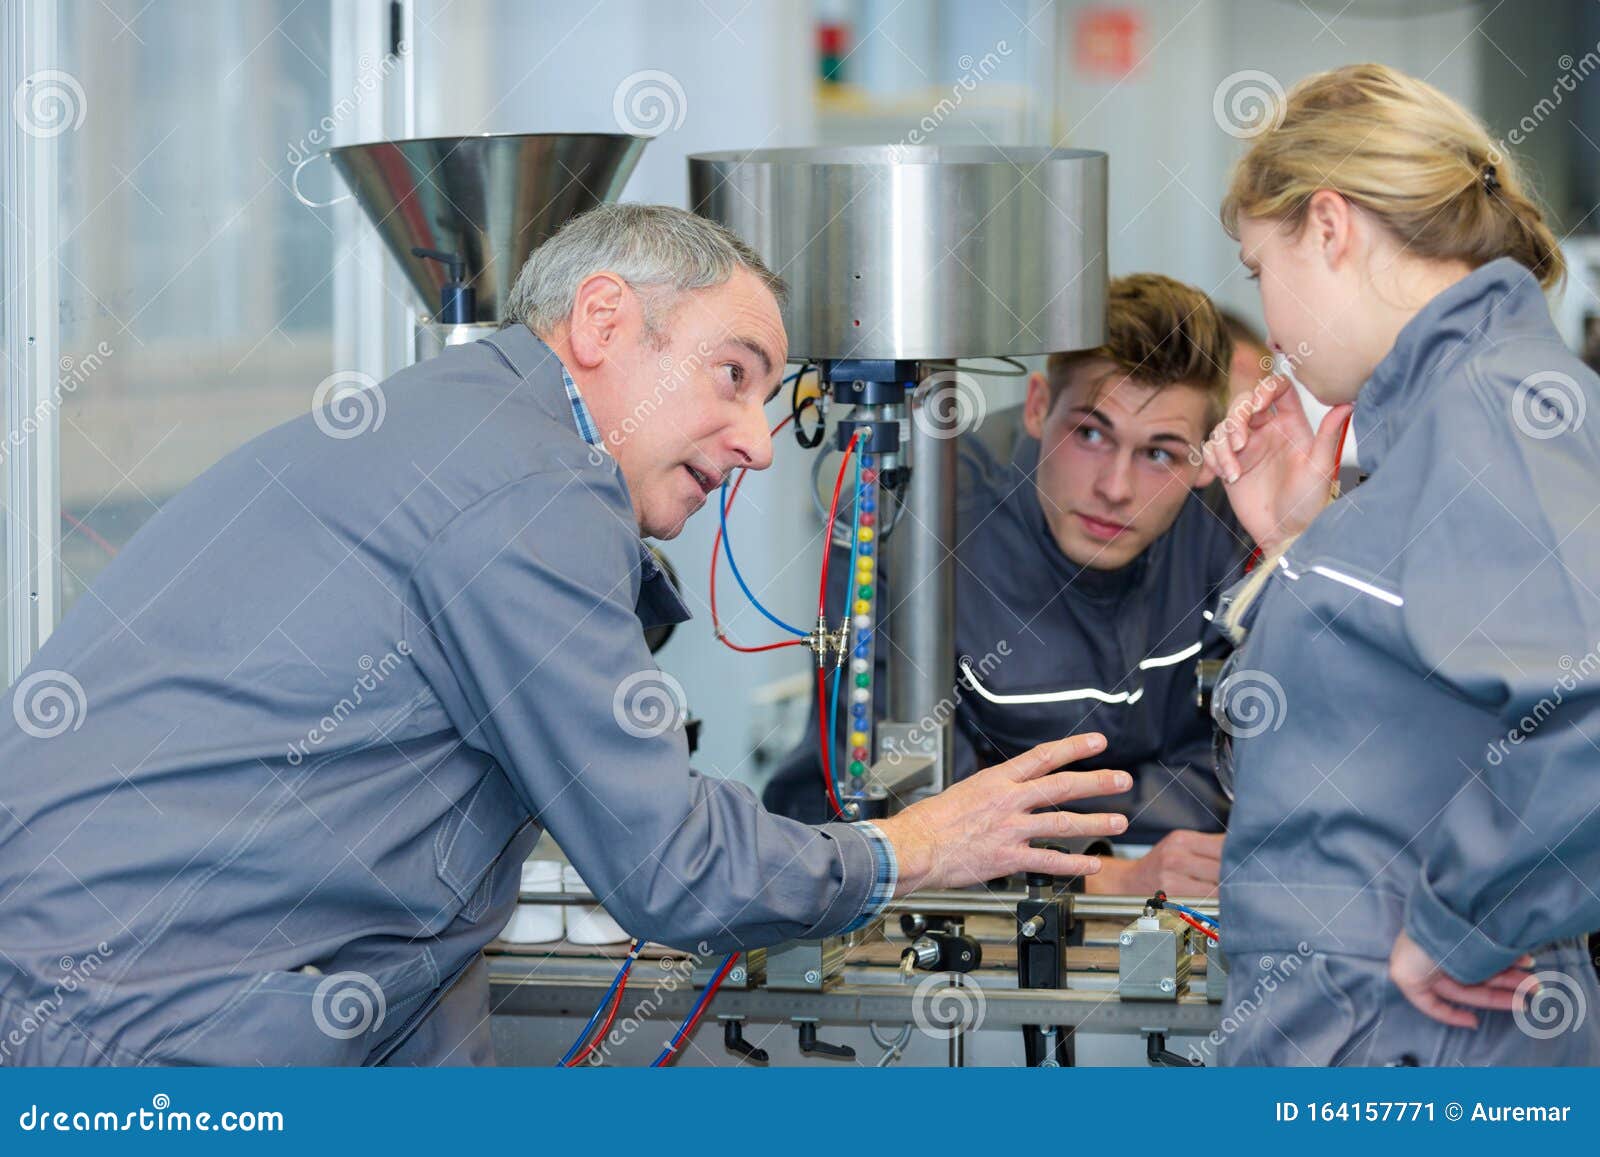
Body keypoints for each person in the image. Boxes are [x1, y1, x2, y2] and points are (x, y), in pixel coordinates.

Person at [0, 204, 1132, 1066]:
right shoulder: (527, 484)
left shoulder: (465, 430)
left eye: (770, 398)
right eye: (731, 375)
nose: (755, 441)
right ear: (600, 322)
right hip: (146, 1033)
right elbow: (673, 868)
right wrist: (914, 844)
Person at [1202, 63, 1600, 1066]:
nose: (1270, 315)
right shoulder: (1426, 428)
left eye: (1259, 267)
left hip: (1422, 1052)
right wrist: (1299, 542)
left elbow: (1586, 703)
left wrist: (1464, 917)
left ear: (1327, 226)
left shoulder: (1496, 408)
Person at [766, 274, 1249, 897]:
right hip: (898, 894)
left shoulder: (1223, 522)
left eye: (1159, 453)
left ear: (1204, 458)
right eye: (1092, 435)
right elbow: (903, 791)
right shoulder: (921, 519)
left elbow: (1232, 759)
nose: (1116, 488)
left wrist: (1111, 855)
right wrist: (1101, 873)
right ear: (1037, 404)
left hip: (1155, 882)